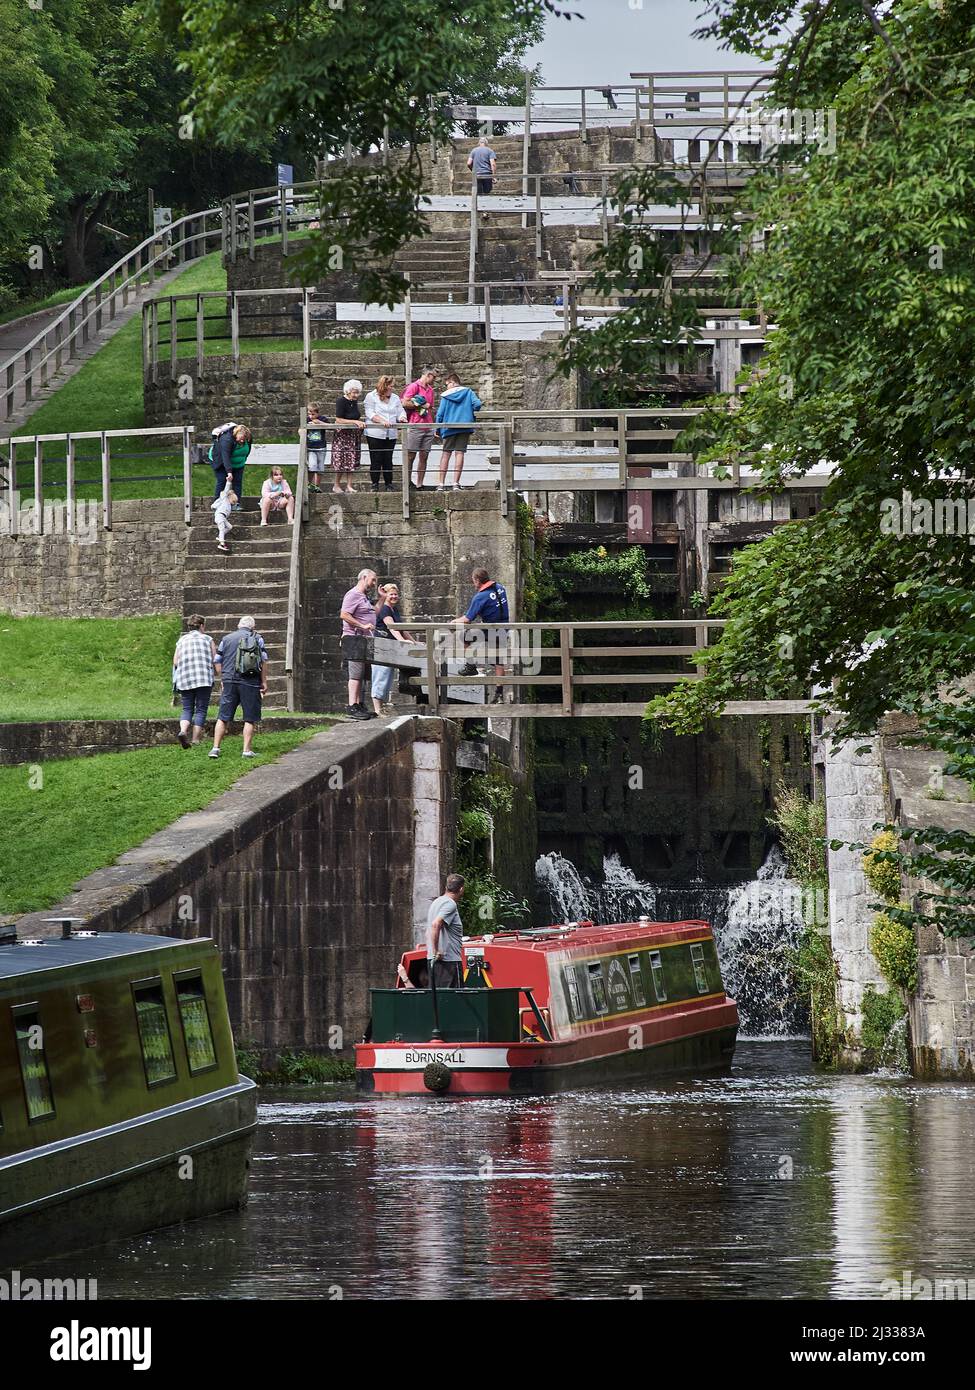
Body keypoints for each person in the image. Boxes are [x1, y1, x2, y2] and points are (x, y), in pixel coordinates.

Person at [209, 616, 269, 758]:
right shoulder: (258, 638)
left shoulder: (227, 638)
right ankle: (246, 751)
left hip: (230, 680)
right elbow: (263, 662)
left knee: (223, 716)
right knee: (249, 717)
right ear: (252, 627)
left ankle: (215, 748)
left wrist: (223, 678)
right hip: (250, 681)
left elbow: (217, 660)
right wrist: (264, 682)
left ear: (238, 625)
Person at [455, 567, 510, 702]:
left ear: (478, 580)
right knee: (499, 662)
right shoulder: (500, 587)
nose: (474, 584)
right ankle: (499, 695)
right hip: (504, 629)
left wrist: (454, 621)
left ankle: (470, 665)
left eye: (474, 581)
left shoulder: (480, 596)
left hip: (490, 630)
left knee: (464, 636)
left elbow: (468, 619)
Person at [172, 615, 217, 748]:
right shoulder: (208, 639)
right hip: (203, 678)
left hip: (185, 678)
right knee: (201, 709)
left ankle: (183, 731)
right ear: (202, 626)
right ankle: (196, 739)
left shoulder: (182, 640)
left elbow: (175, 662)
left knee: (187, 708)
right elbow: (215, 660)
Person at [340, 568, 379, 720]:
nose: (374, 583)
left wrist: (381, 598)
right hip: (354, 639)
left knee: (363, 674)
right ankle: (352, 706)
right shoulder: (353, 594)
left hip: (363, 640)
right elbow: (344, 614)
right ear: (364, 577)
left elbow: (373, 613)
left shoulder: (363, 597)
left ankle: (359, 704)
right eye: (373, 580)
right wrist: (362, 626)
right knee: (355, 673)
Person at [370, 582, 414, 716]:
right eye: (391, 594)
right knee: (380, 675)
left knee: (387, 677)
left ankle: (381, 708)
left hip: (389, 648)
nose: (394, 596)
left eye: (396, 594)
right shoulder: (385, 609)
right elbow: (391, 627)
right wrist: (402, 641)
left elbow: (401, 628)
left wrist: (414, 642)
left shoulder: (394, 610)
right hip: (382, 647)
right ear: (386, 595)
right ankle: (377, 709)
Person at [435, 372, 483, 490]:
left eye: (447, 384)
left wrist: (437, 429)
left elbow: (440, 414)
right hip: (464, 426)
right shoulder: (468, 392)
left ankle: (441, 484)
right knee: (459, 453)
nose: (447, 387)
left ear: (452, 382)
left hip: (449, 427)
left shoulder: (446, 396)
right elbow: (477, 404)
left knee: (446, 454)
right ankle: (455, 483)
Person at [362, 376, 406, 492]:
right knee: (376, 459)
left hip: (390, 433)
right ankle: (375, 484)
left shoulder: (395, 398)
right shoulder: (371, 396)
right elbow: (370, 413)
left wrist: (402, 418)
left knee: (388, 459)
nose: (392, 388)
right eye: (390, 386)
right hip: (375, 433)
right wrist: (382, 421)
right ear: (384, 386)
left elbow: (400, 411)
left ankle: (389, 484)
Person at [426, 875, 467, 989]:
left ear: (446, 887)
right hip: (449, 962)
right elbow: (435, 924)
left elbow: (429, 931)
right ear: (461, 889)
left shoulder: (435, 903)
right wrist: (435, 951)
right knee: (455, 1000)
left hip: (434, 962)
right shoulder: (450, 904)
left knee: (439, 1000)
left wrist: (432, 953)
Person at [402, 368, 438, 488]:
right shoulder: (414, 386)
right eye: (434, 377)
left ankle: (420, 483)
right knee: (411, 455)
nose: (435, 380)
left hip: (428, 426)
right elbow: (405, 402)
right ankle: (407, 482)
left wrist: (434, 426)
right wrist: (421, 404)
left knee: (424, 456)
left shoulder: (431, 390)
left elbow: (431, 408)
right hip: (415, 425)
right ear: (428, 375)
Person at [209, 422, 253, 507]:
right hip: (220, 460)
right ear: (236, 434)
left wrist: (242, 460)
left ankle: (236, 504)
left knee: (237, 482)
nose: (242, 441)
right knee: (222, 480)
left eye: (244, 439)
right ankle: (217, 503)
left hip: (238, 463)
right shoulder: (227, 439)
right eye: (241, 438)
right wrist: (229, 472)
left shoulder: (248, 438)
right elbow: (225, 456)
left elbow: (248, 450)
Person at [332, 380, 364, 491]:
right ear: (348, 391)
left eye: (358, 392)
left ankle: (349, 486)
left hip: (353, 436)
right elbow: (339, 419)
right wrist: (355, 422)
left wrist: (358, 423)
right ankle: (336, 485)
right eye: (354, 392)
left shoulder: (354, 402)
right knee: (341, 460)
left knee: (352, 459)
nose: (356, 395)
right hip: (342, 436)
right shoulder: (341, 401)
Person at [211, 472, 236, 552]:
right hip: (219, 516)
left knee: (230, 527)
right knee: (221, 529)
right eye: (233, 501)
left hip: (223, 517)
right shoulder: (225, 499)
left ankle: (220, 536)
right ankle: (222, 544)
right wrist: (228, 482)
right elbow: (226, 489)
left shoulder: (229, 505)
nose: (234, 503)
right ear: (229, 498)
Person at [306, 404, 328, 492]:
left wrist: (319, 423)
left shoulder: (322, 419)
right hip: (311, 448)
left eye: (313, 414)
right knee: (312, 466)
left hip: (321, 447)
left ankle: (317, 486)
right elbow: (301, 429)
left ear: (318, 413)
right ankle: (308, 484)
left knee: (320, 468)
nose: (311, 416)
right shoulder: (307, 420)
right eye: (309, 414)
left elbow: (329, 426)